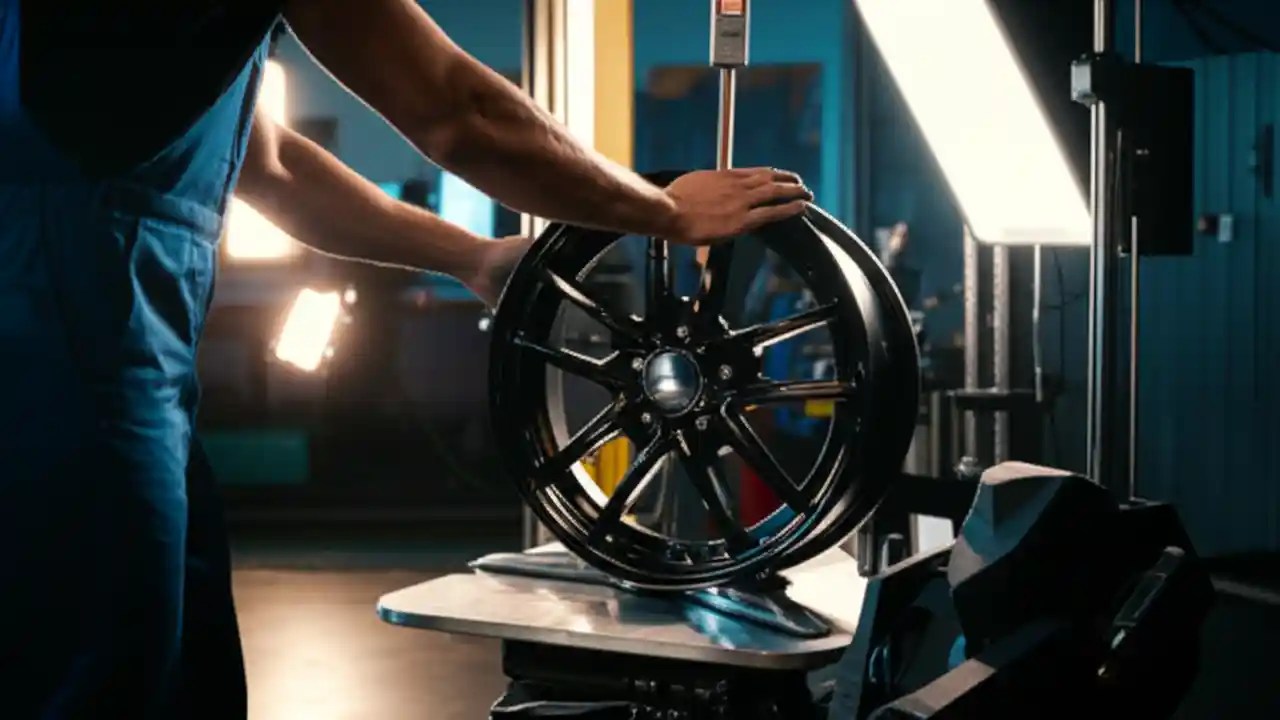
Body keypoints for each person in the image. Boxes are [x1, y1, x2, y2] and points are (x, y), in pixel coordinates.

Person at [0, 1, 812, 717]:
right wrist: (665, 210)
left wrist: (471, 258)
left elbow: (269, 164)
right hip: (68, 352)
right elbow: (457, 110)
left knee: (166, 667)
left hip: (101, 353)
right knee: (99, 672)